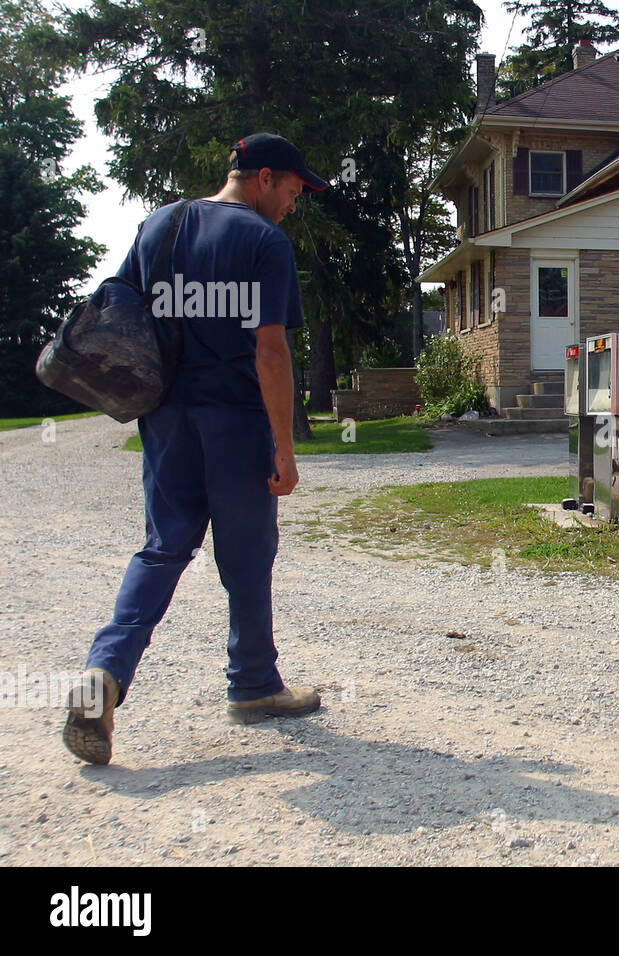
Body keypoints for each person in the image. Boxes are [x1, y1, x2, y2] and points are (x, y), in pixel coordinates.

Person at [63, 133, 330, 765]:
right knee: (246, 555)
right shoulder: (264, 242)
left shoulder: (160, 225)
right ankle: (255, 685)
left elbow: (116, 312)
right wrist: (285, 445)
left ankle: (104, 674)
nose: (294, 205)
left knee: (162, 549)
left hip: (165, 420)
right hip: (235, 420)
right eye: (293, 190)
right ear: (264, 177)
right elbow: (270, 350)